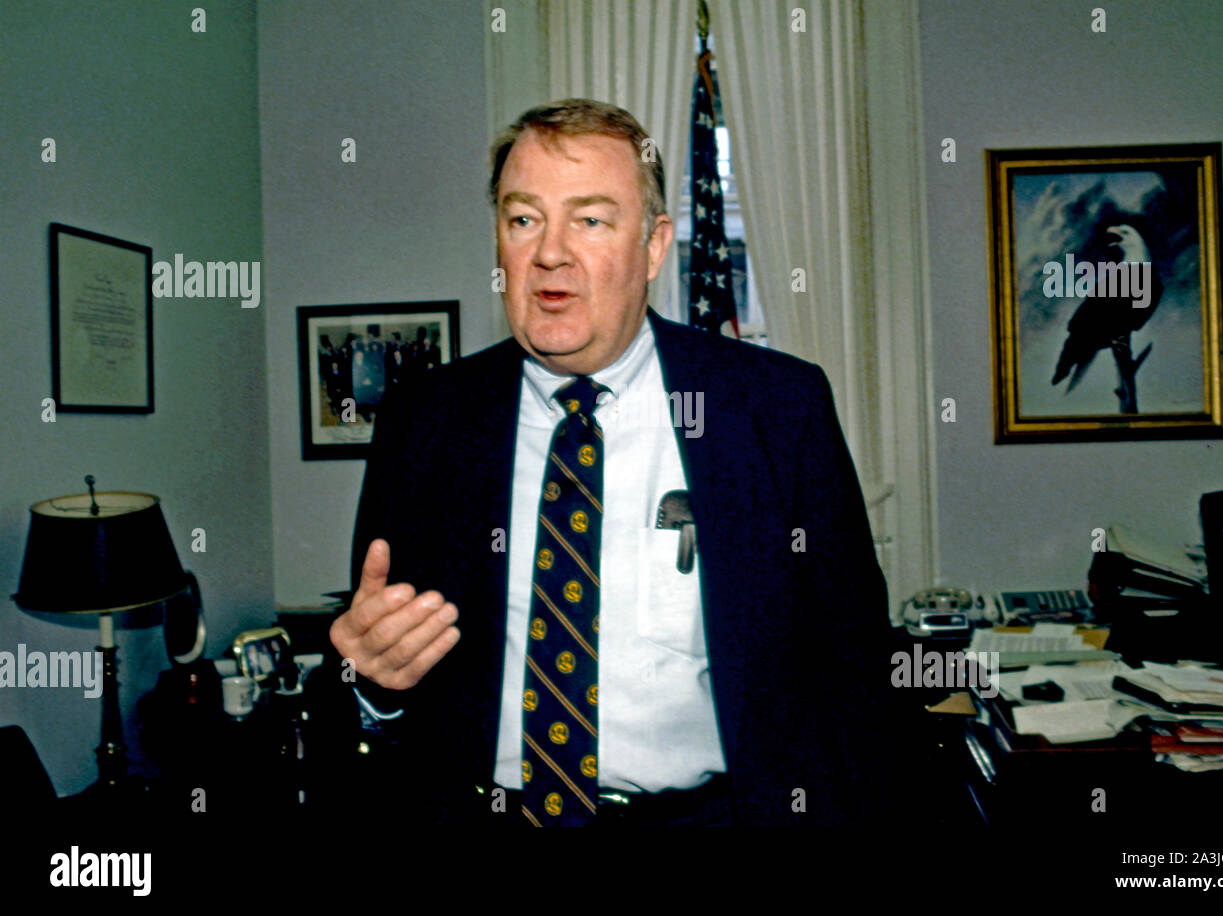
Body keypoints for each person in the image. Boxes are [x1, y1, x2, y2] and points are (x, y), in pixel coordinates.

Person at [326, 99, 891, 827]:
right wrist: (373, 685)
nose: (550, 252)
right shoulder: (426, 423)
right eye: (523, 218)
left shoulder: (776, 410)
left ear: (654, 246)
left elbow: (856, 674)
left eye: (590, 220)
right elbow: (376, 670)